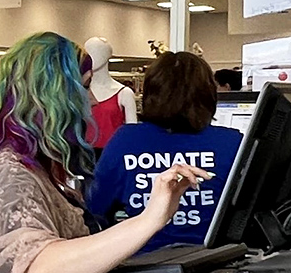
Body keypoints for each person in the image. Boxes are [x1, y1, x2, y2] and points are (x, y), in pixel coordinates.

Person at [0, 32, 208, 273]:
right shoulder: (9, 173)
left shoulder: (38, 170)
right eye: (84, 86)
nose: (91, 100)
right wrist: (151, 218)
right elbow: (42, 271)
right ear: (54, 95)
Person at [88, 52, 242, 253]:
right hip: (213, 260)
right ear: (209, 95)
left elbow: (95, 206)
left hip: (140, 263)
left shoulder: (126, 140)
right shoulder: (231, 142)